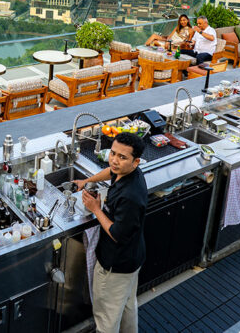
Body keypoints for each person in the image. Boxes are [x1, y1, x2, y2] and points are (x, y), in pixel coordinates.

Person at [73, 132, 147, 333]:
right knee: (127, 306)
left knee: (106, 319)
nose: (114, 160)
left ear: (136, 161)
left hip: (115, 267)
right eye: (113, 153)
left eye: (122, 157)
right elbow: (110, 172)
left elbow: (117, 234)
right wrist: (86, 181)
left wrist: (96, 209)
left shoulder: (130, 197)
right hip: (133, 259)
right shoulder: (128, 172)